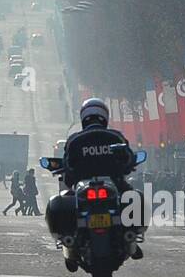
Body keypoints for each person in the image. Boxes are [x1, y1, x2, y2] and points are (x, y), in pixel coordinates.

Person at [47, 98, 144, 257]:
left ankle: (69, 239)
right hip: (114, 185)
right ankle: (131, 236)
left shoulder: (74, 140)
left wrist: (68, 175)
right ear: (105, 117)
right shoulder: (115, 136)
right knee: (134, 196)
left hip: (82, 187)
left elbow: (68, 164)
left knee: (63, 203)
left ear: (84, 117)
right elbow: (128, 159)